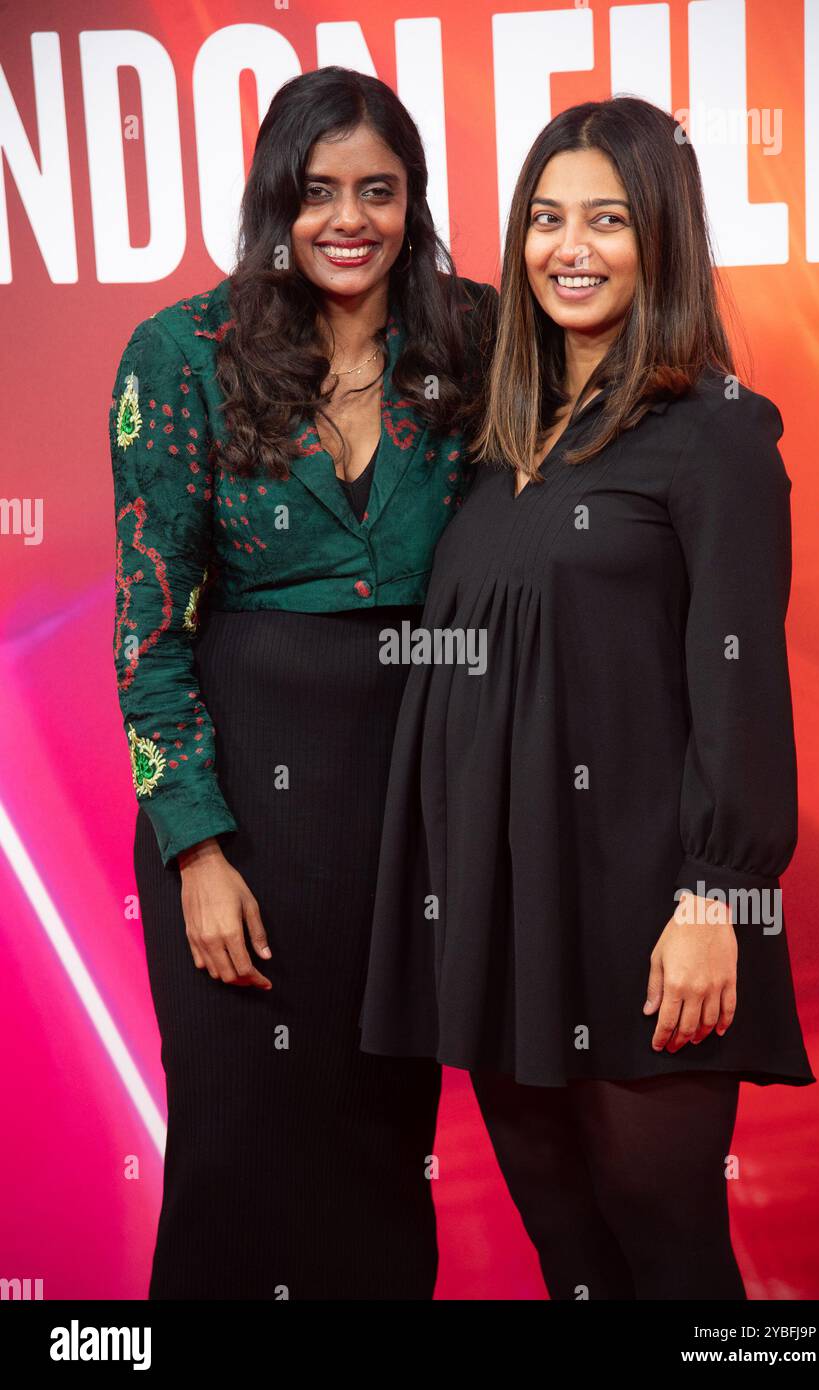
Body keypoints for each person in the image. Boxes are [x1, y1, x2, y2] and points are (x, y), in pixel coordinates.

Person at [358, 96, 815, 1300]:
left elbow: (737, 680)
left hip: (645, 920)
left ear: (658, 237)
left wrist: (716, 896)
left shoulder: (709, 436)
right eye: (545, 218)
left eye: (606, 220)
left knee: (670, 1258)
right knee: (571, 1258)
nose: (570, 246)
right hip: (506, 922)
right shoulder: (498, 443)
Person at [109, 65, 496, 1300]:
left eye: (377, 191)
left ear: (411, 201)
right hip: (244, 817)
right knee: (233, 1153)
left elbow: (621, 408)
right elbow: (148, 628)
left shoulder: (471, 339)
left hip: (408, 815)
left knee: (383, 1152)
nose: (348, 220)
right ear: (275, 199)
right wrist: (196, 849)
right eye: (317, 190)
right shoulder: (183, 351)